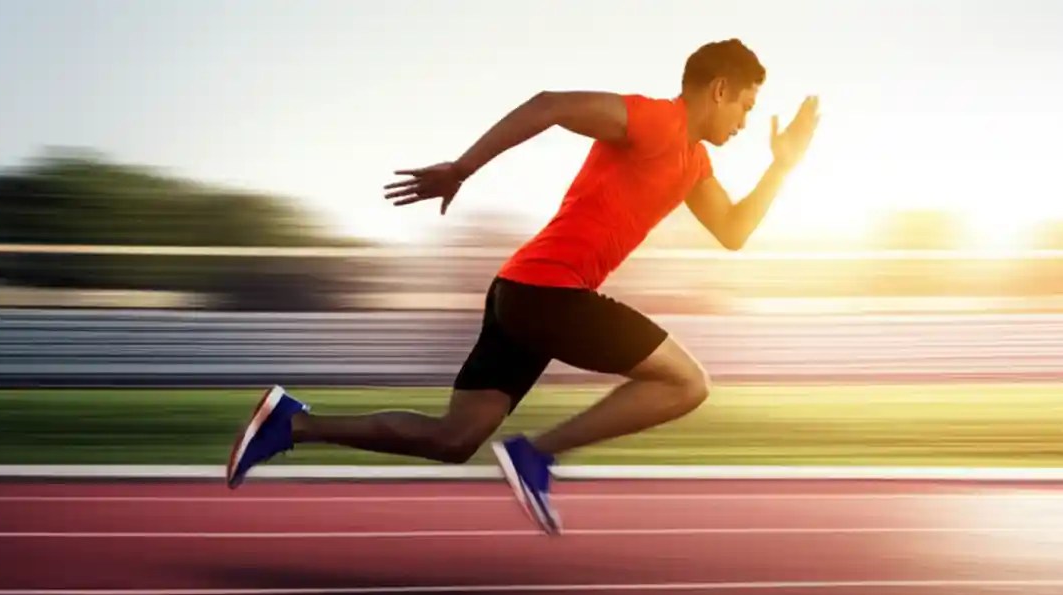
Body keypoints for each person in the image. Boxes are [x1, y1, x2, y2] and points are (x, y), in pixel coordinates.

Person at [225, 38, 820, 535]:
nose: (745, 121)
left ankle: (291, 423)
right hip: (548, 293)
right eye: (745, 106)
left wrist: (782, 166)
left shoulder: (694, 163)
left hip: (521, 293)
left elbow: (734, 231)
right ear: (718, 90)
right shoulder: (651, 119)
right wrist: (463, 167)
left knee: (455, 438)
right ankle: (536, 453)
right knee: (687, 381)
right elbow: (549, 105)